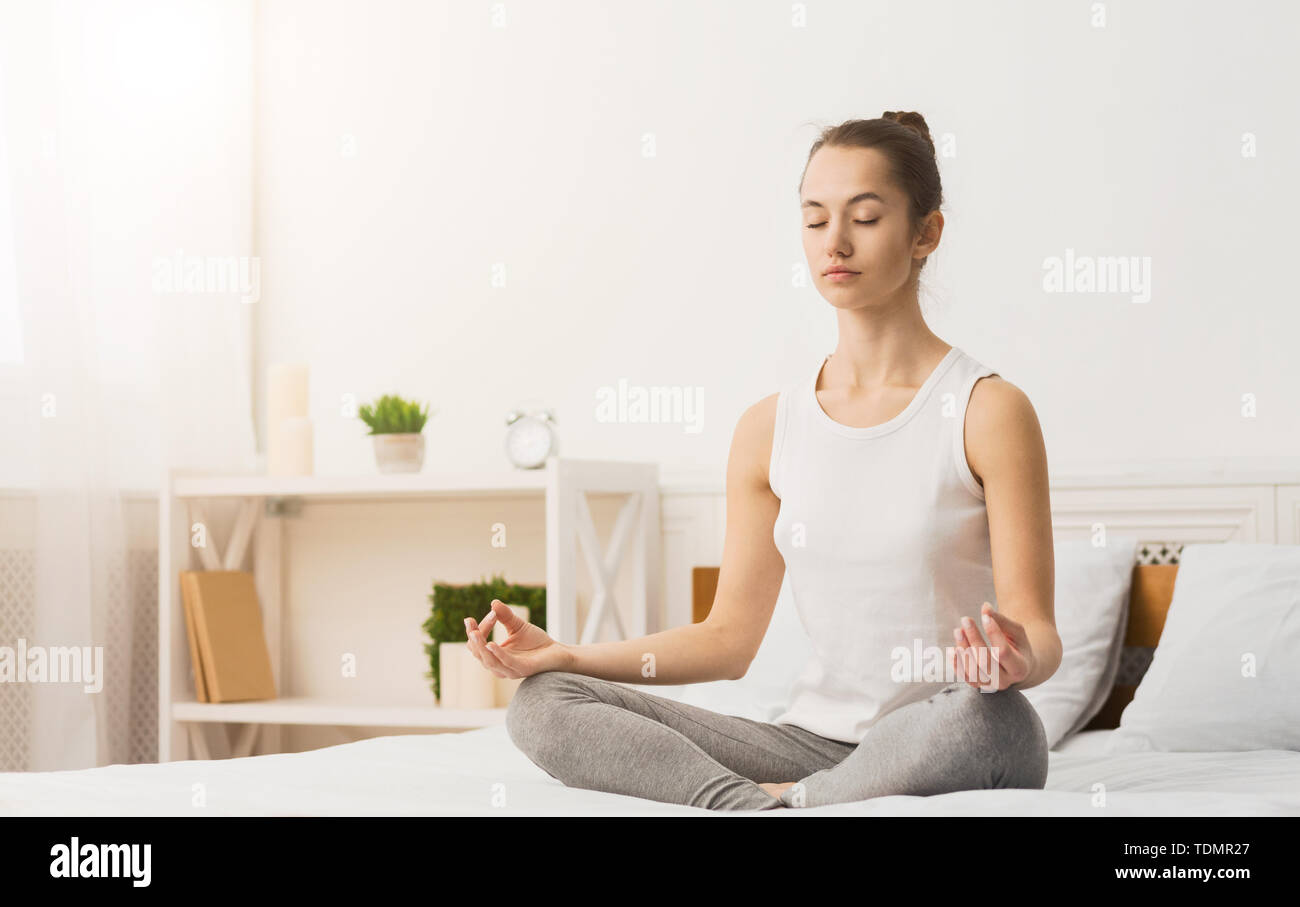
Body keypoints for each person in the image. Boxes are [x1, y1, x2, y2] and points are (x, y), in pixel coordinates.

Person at [465, 111, 1059, 810]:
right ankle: (762, 802)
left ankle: (799, 799)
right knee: (543, 702)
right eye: (814, 220)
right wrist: (565, 653)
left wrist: (1017, 659)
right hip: (808, 743)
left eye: (865, 217)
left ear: (925, 232)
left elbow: (1039, 631)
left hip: (948, 725)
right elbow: (727, 640)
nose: (834, 241)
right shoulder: (768, 427)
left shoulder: (988, 410)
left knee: (997, 720)